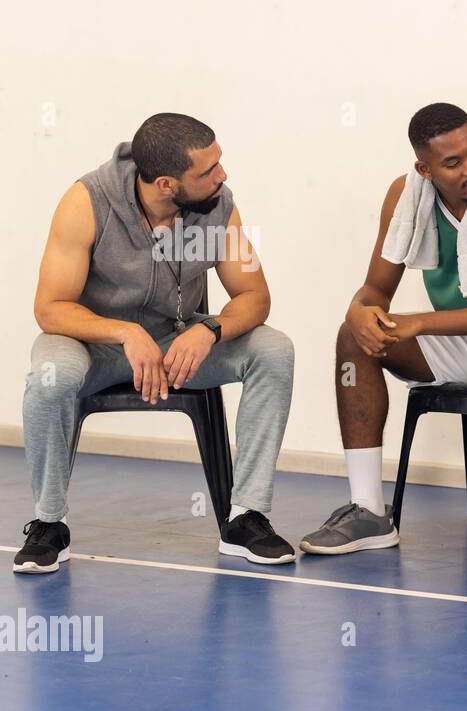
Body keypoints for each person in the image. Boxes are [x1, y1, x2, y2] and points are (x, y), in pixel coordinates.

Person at [17, 113, 296, 572]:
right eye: (207, 171)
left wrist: (209, 331)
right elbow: (51, 308)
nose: (222, 177)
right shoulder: (86, 202)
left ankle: (245, 517)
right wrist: (126, 332)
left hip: (177, 341)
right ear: (166, 183)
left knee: (273, 349)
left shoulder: (218, 205)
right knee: (52, 375)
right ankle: (49, 524)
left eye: (219, 163)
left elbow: (254, 296)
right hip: (94, 345)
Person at [299, 103, 467, 571]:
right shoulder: (406, 193)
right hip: (460, 345)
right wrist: (359, 312)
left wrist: (419, 322)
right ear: (425, 168)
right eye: (454, 162)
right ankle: (369, 512)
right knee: (352, 337)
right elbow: (376, 289)